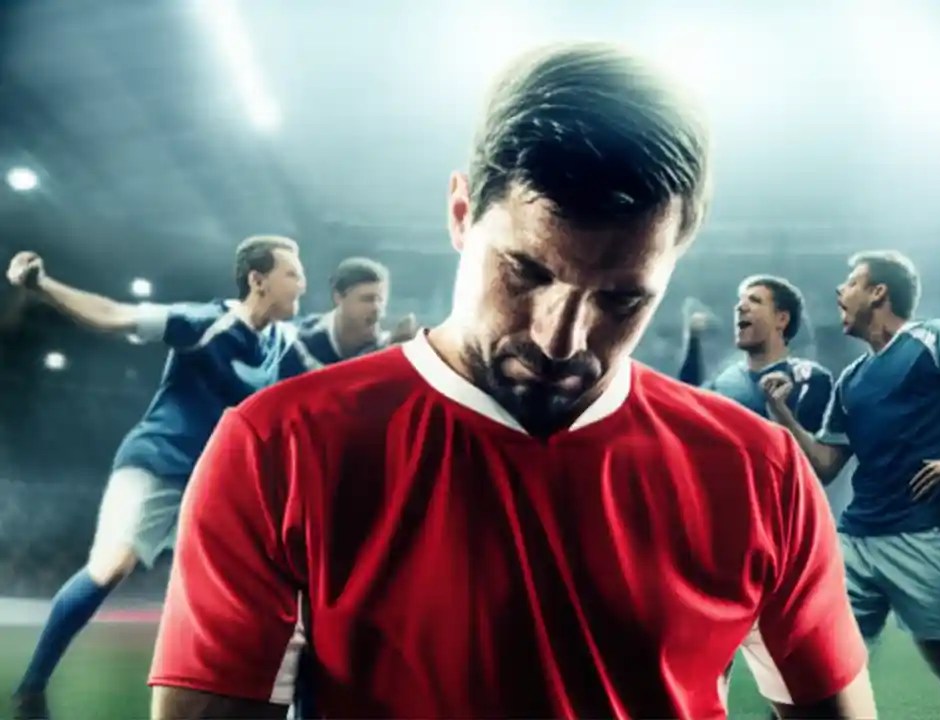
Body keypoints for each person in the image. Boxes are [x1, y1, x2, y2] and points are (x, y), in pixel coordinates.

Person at [148, 42, 875, 720]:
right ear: (462, 213)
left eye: (622, 299)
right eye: (525, 273)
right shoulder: (277, 447)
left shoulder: (761, 472)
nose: (561, 340)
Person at [7, 236, 307, 720]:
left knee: (272, 584)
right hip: (156, 462)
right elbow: (113, 314)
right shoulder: (204, 323)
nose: (303, 283)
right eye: (292, 274)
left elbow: (336, 375)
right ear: (258, 280)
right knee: (113, 566)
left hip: (210, 486)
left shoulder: (282, 344)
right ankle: (31, 688)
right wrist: (41, 284)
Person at [763, 249, 940, 719]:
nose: (839, 291)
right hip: (855, 538)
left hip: (925, 533)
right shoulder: (851, 380)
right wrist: (783, 415)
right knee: (809, 658)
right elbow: (828, 463)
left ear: (878, 292)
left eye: (851, 282)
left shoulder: (936, 338)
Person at [678, 275, 833, 432]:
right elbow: (687, 407)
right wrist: (694, 343)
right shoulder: (722, 382)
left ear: (782, 319)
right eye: (740, 301)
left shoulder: (808, 379)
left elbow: (813, 451)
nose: (740, 307)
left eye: (755, 300)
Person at [284, 256, 418, 374]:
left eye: (380, 300)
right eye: (367, 299)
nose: (377, 308)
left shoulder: (387, 346)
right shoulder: (294, 340)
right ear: (338, 298)